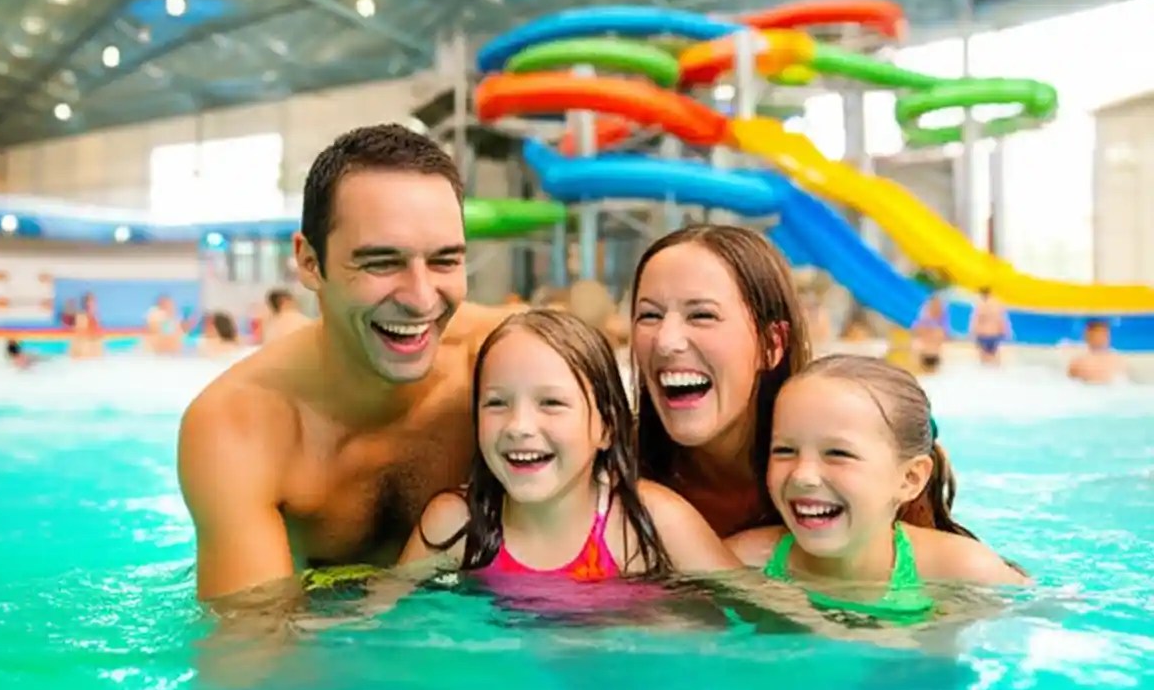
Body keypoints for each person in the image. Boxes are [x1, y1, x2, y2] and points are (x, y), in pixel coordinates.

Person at [177, 124, 513, 603]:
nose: (421, 299)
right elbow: (254, 640)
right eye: (381, 262)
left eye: (445, 261)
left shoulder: (505, 367)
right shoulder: (238, 428)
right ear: (309, 263)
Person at [399, 309, 739, 578]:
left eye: (551, 403)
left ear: (606, 427)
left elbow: (751, 616)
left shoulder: (650, 523)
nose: (518, 426)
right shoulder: (456, 526)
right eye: (497, 403)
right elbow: (381, 625)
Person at [727, 355, 1027, 625]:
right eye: (784, 450)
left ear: (909, 479)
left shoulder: (964, 572)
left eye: (838, 453)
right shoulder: (745, 561)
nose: (803, 476)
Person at [628, 224, 812, 539]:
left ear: (772, 345)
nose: (666, 341)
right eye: (649, 316)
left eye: (702, 315)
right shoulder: (610, 475)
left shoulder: (851, 466)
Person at [1067, 319, 1128, 385]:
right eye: (1098, 334)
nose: (1101, 337)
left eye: (1104, 334)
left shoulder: (1117, 360)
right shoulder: (1079, 362)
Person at [970, 287, 1012, 366]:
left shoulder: (980, 305)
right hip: (996, 334)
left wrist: (972, 334)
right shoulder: (998, 304)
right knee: (996, 360)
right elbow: (1002, 320)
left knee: (984, 361)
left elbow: (976, 321)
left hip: (983, 334)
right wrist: (1006, 332)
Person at [910, 293, 949, 374]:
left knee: (937, 334)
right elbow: (917, 329)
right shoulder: (924, 316)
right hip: (925, 346)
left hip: (932, 345)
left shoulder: (942, 319)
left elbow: (944, 332)